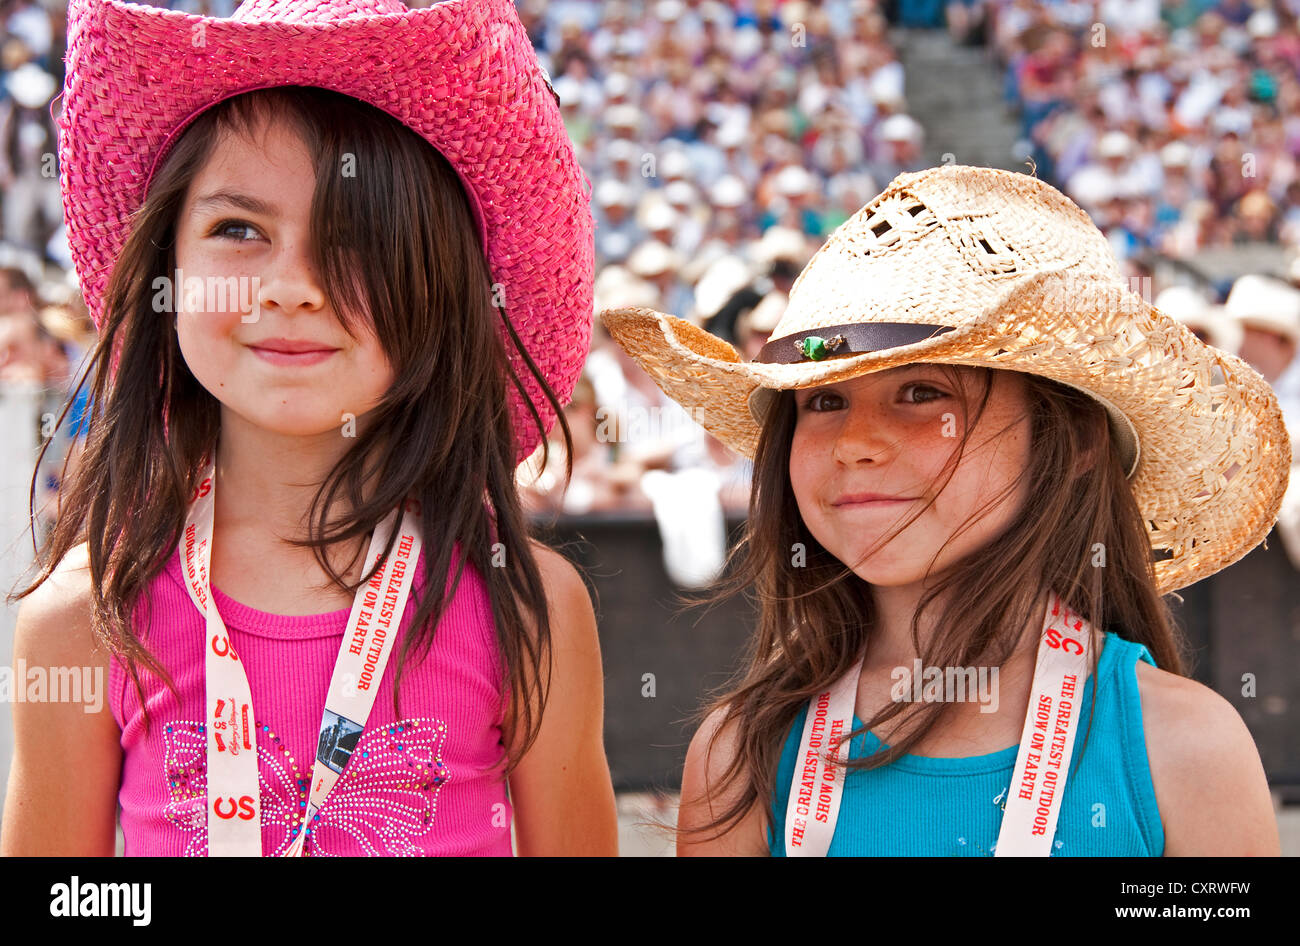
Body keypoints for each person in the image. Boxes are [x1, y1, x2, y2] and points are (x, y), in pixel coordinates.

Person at [2, 0, 616, 857]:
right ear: (166, 272)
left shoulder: (530, 605)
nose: (292, 285)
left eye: (357, 237)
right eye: (238, 229)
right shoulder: (82, 617)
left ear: (440, 288)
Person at [600, 165, 1286, 856]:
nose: (857, 444)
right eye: (823, 401)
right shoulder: (739, 756)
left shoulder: (1188, 750)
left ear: (1075, 439)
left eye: (923, 391)